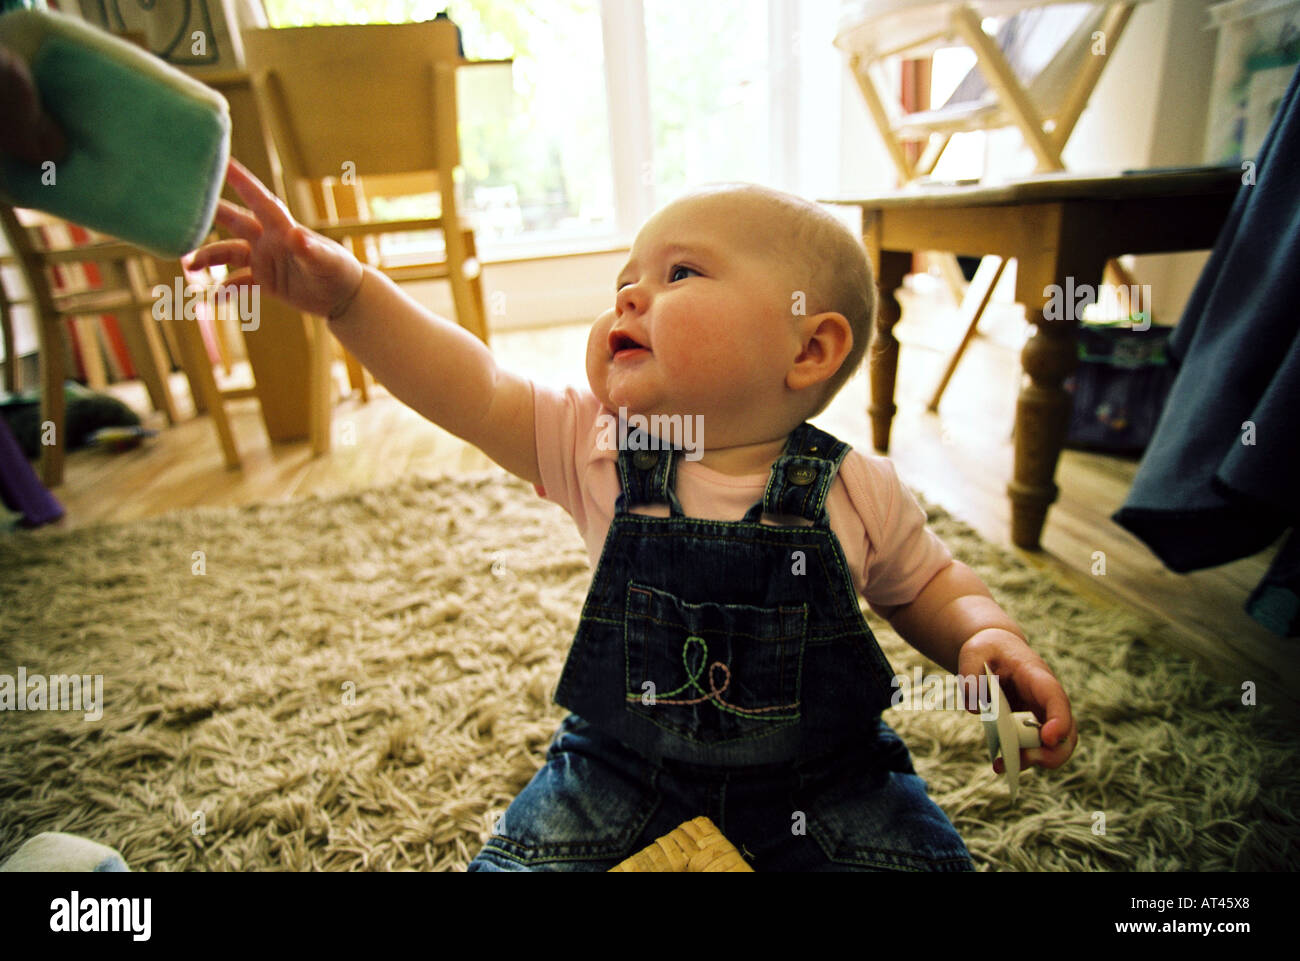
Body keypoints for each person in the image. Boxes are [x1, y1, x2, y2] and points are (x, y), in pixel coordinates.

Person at [187, 158, 1078, 871]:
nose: (629, 295)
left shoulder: (857, 486)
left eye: (679, 272)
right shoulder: (592, 445)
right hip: (619, 766)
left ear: (810, 345)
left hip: (833, 776)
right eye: (624, 279)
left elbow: (927, 582)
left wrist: (983, 635)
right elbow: (470, 382)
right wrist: (349, 298)